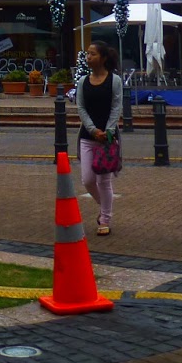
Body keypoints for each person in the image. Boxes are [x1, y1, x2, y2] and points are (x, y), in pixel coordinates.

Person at [74, 41, 124, 238]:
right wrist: (93, 130)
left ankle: (105, 218)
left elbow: (116, 106)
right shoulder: (82, 81)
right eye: (87, 54)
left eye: (92, 54)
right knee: (87, 180)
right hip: (88, 136)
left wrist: (108, 130)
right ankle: (105, 205)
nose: (88, 57)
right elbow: (81, 108)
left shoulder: (115, 80)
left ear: (103, 58)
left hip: (108, 138)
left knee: (104, 180)